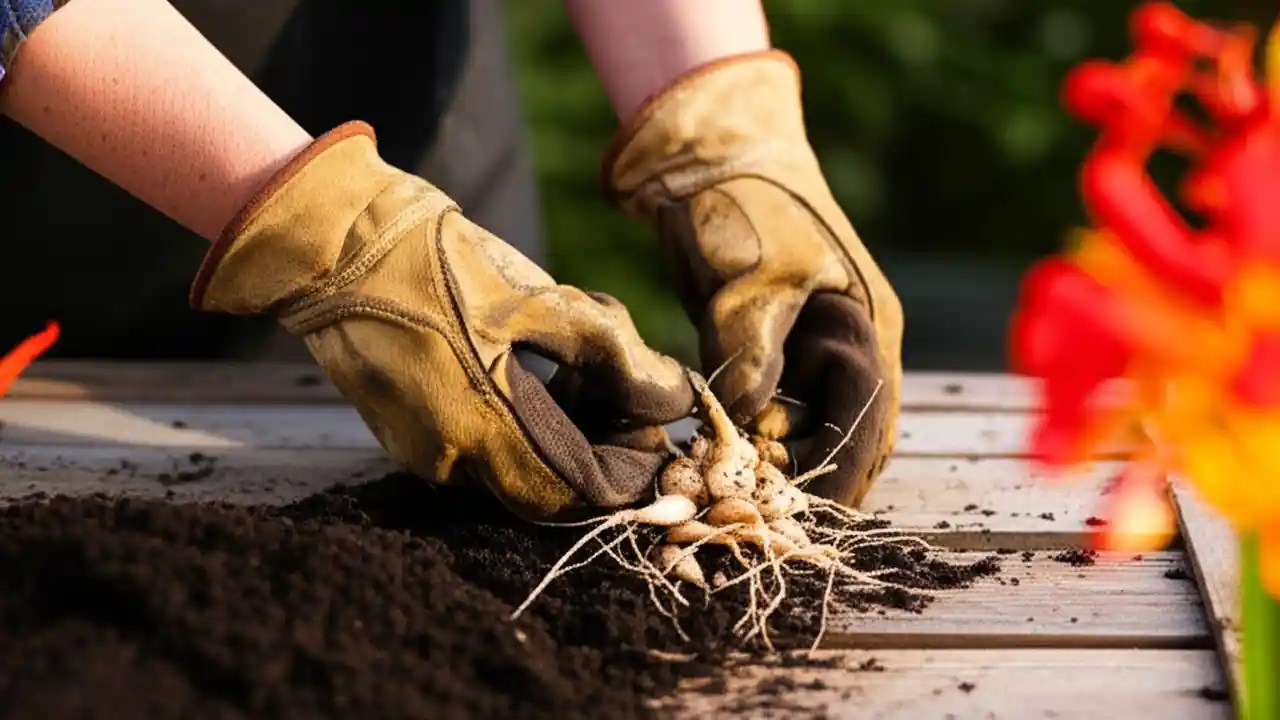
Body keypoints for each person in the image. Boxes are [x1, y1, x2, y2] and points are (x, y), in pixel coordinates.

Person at [0, 0, 903, 521]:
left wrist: (729, 146)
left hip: (423, 174)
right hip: (49, 196)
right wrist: (340, 236)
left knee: (527, 453)